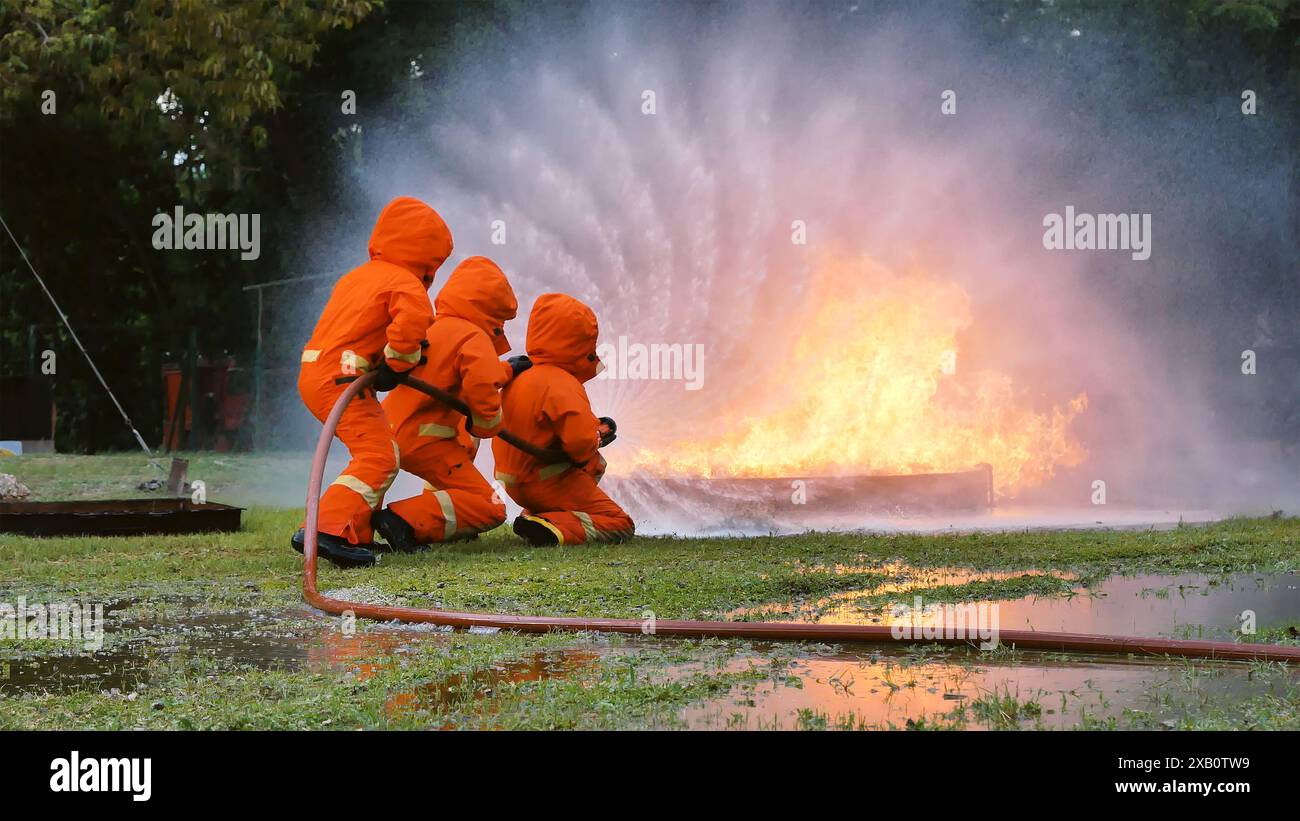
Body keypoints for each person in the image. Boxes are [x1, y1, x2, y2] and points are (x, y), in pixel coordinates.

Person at [292, 196, 452, 568]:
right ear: (428, 256)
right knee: (380, 456)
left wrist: (381, 362)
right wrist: (400, 362)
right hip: (340, 377)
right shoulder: (406, 283)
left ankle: (353, 535)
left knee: (378, 449)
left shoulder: (358, 276)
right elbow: (409, 329)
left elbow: (360, 327)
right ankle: (325, 530)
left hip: (318, 373)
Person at [372, 256, 531, 551]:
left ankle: (345, 532)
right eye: (501, 320)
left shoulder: (431, 327)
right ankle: (403, 521)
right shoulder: (474, 336)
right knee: (489, 505)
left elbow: (454, 370)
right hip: (425, 440)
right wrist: (487, 424)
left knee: (368, 484)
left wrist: (508, 369)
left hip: (386, 429)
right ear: (491, 312)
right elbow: (482, 385)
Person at [491, 293, 634, 545]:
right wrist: (597, 436)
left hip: (513, 482)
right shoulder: (563, 384)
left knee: (591, 466)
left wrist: (594, 427)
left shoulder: (518, 376)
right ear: (579, 343)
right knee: (619, 523)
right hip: (547, 481)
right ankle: (554, 526)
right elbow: (579, 446)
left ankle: (536, 517)